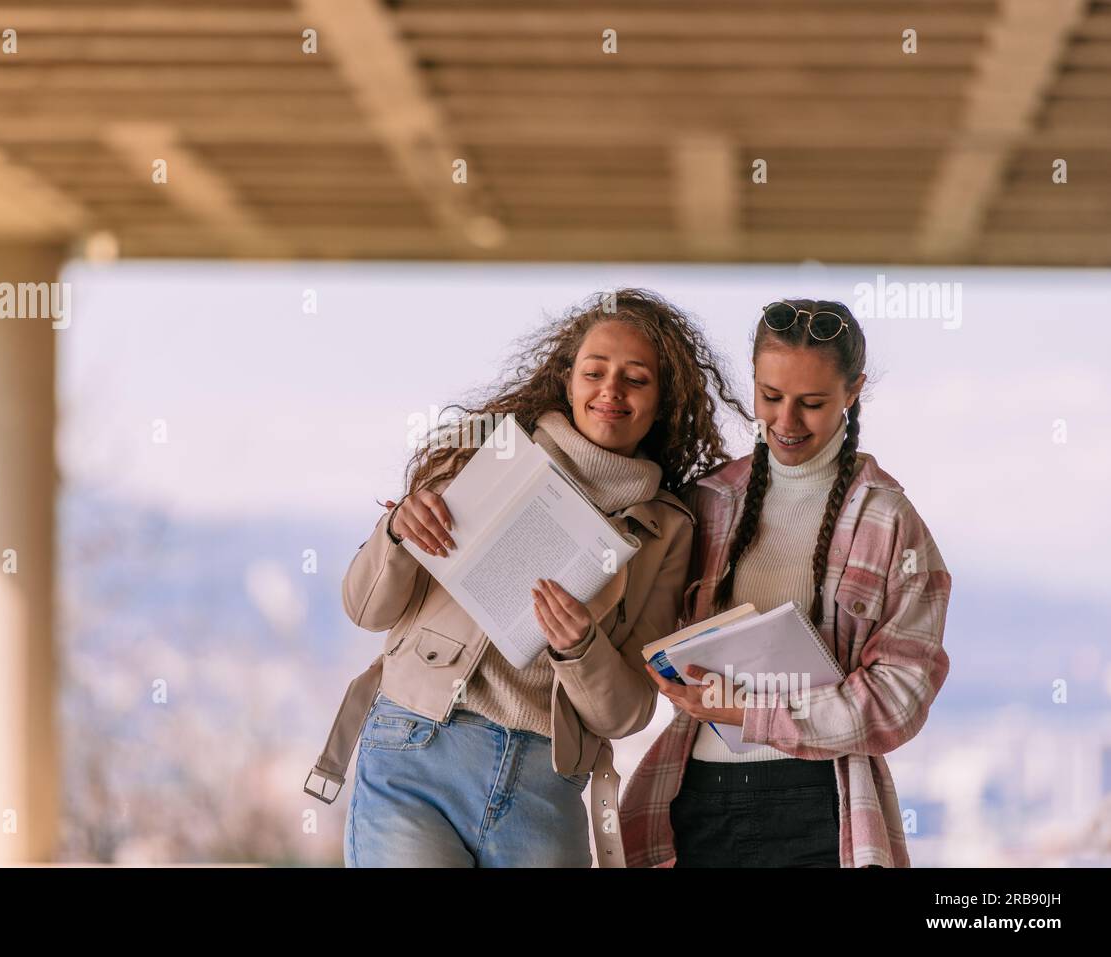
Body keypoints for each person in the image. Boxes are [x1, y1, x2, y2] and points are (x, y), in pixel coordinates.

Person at [305, 289, 747, 866]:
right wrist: (396, 533)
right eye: (595, 371)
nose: (611, 390)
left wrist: (581, 647)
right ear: (568, 380)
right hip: (418, 749)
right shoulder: (478, 454)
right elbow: (365, 611)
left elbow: (630, 712)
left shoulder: (667, 530)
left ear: (662, 400)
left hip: (545, 786)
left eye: (636, 379)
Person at [620, 299, 951, 868]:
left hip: (818, 804)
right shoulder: (708, 502)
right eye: (770, 398)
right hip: (698, 797)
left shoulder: (890, 521)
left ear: (853, 392)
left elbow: (900, 699)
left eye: (813, 403)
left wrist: (751, 713)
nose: (787, 422)